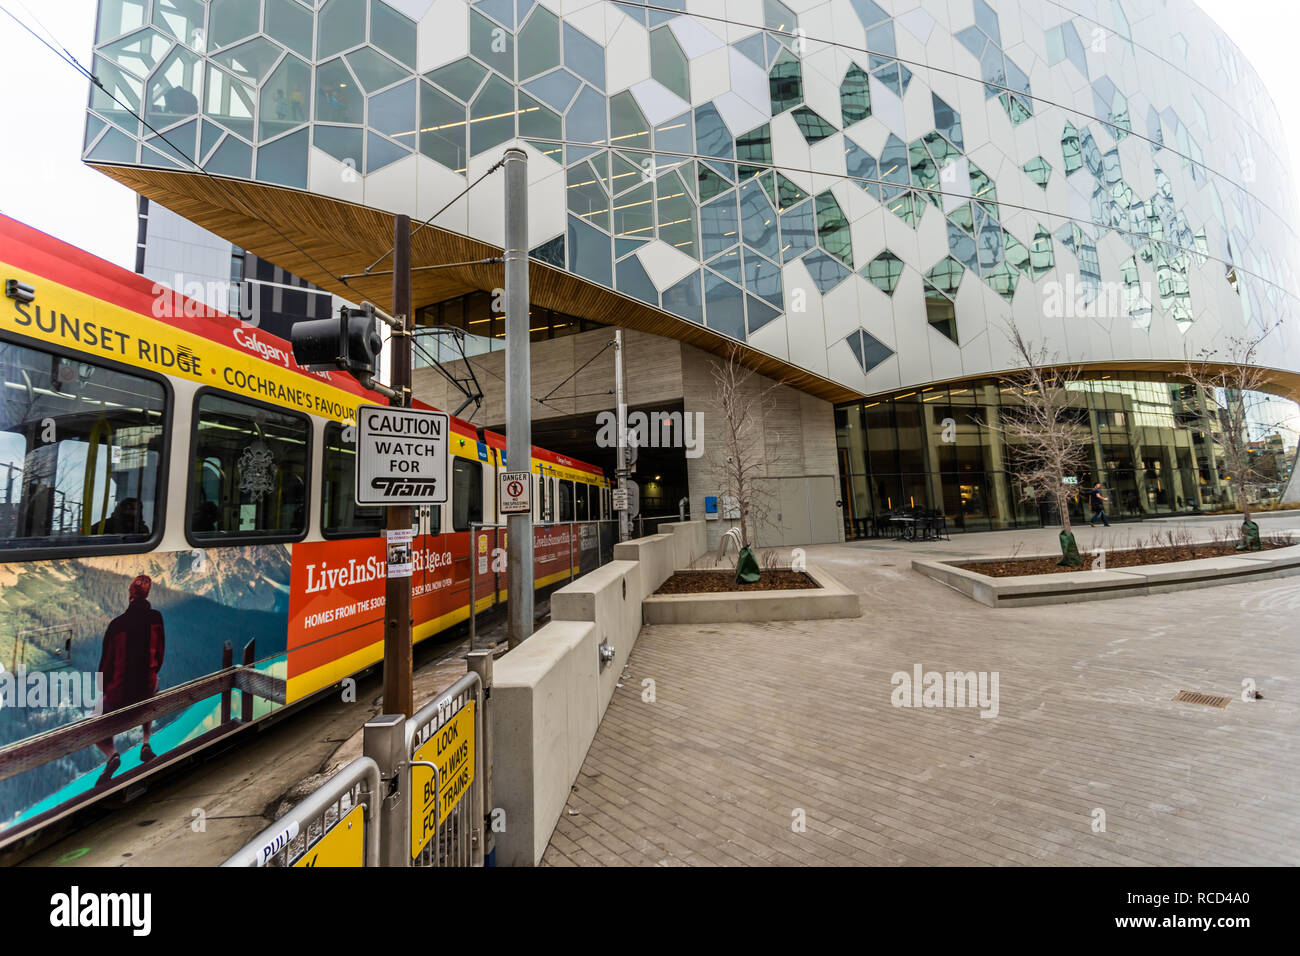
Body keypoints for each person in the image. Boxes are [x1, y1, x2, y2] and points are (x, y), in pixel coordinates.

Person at [95, 575, 166, 786]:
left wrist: (105, 691)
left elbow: (105, 665)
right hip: (146, 688)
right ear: (148, 594)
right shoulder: (157, 618)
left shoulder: (116, 625)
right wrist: (149, 674)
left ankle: (112, 755)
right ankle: (146, 743)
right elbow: (159, 656)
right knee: (156, 682)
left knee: (94, 718)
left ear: (130, 595)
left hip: (120, 694)